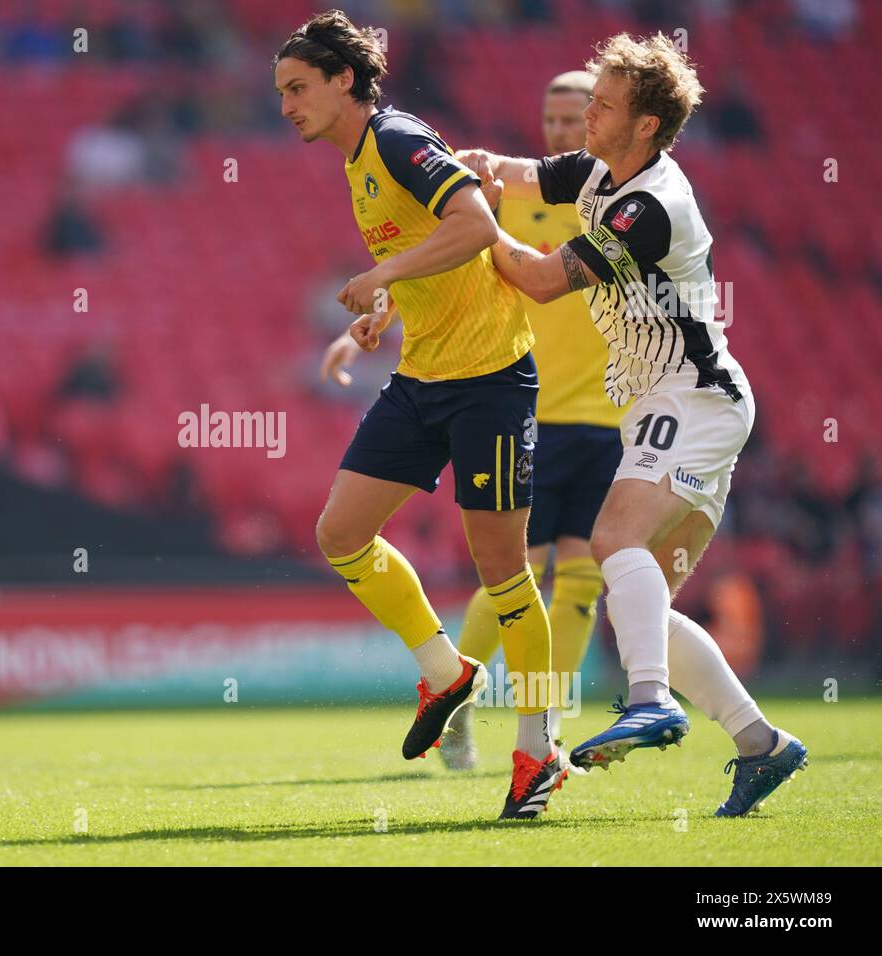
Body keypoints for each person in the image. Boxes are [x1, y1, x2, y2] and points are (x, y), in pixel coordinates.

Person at [460, 33, 806, 816]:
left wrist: (475, 230)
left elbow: (546, 281)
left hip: (692, 398)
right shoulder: (602, 170)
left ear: (645, 126)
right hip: (674, 404)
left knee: (610, 541)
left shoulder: (648, 207)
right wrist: (465, 168)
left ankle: (650, 701)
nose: (588, 113)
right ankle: (761, 744)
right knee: (639, 598)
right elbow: (520, 173)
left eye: (605, 104)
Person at [279, 9, 562, 819]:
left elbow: (473, 223)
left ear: (345, 82)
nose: (289, 105)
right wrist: (389, 304)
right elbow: (437, 250)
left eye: (299, 88)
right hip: (422, 376)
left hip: (492, 383)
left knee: (503, 572)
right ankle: (447, 674)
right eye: (282, 92)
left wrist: (379, 272)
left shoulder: (399, 136)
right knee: (340, 535)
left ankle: (538, 751)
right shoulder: (359, 159)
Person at [445, 70, 625, 772]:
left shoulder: (624, 205)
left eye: (572, 118)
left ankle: (549, 729)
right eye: (548, 119)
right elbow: (455, 263)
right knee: (517, 574)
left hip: (609, 418)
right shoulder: (510, 200)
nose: (557, 131)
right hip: (531, 412)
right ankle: (453, 706)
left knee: (581, 580)